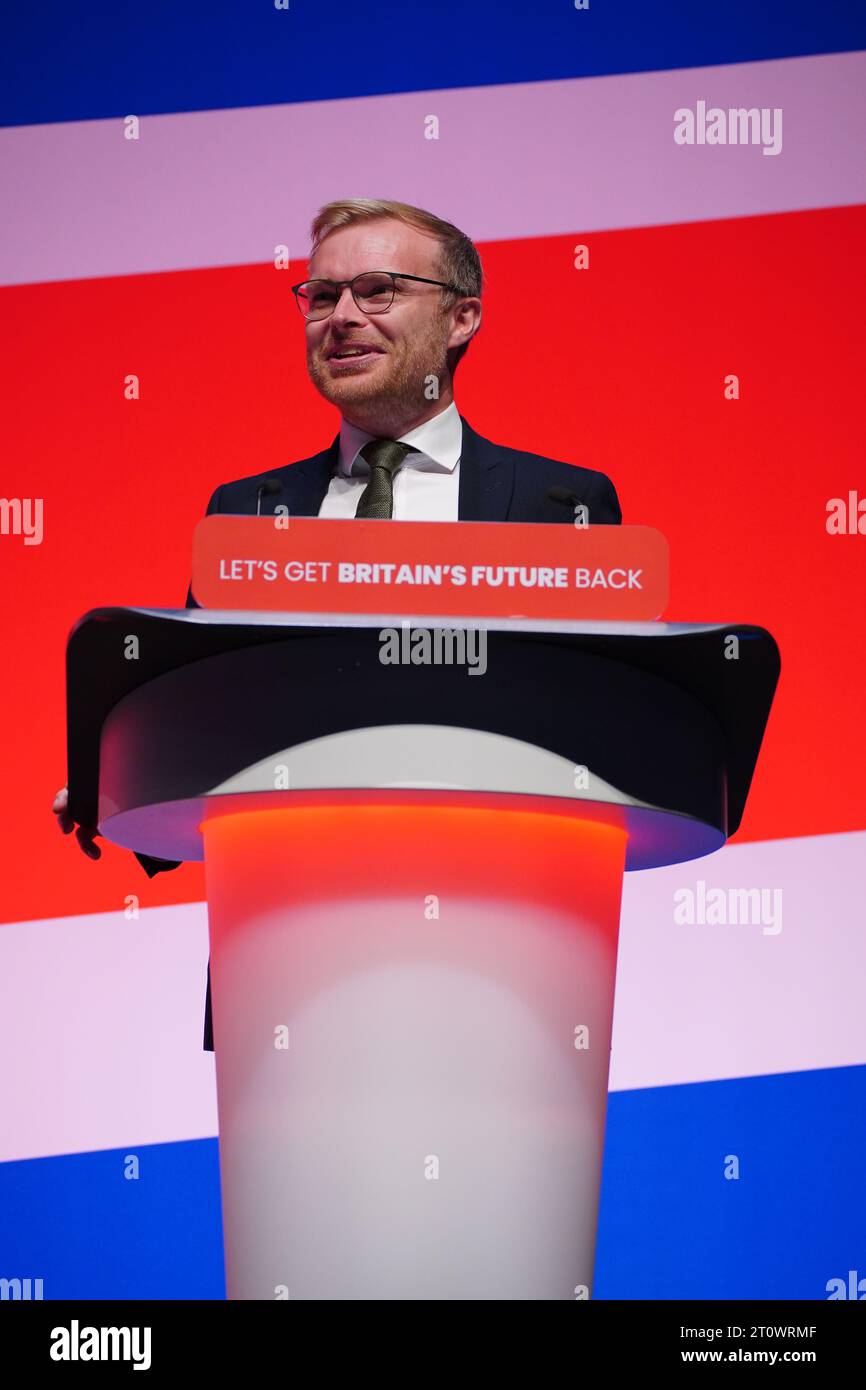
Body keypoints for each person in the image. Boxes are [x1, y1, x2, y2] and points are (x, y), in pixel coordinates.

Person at [53, 196, 623, 1048]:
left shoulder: (562, 505)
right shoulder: (247, 510)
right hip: (285, 958)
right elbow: (212, 719)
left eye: (378, 290)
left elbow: (596, 732)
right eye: (320, 297)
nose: (342, 318)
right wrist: (128, 782)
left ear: (462, 316)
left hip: (510, 960)